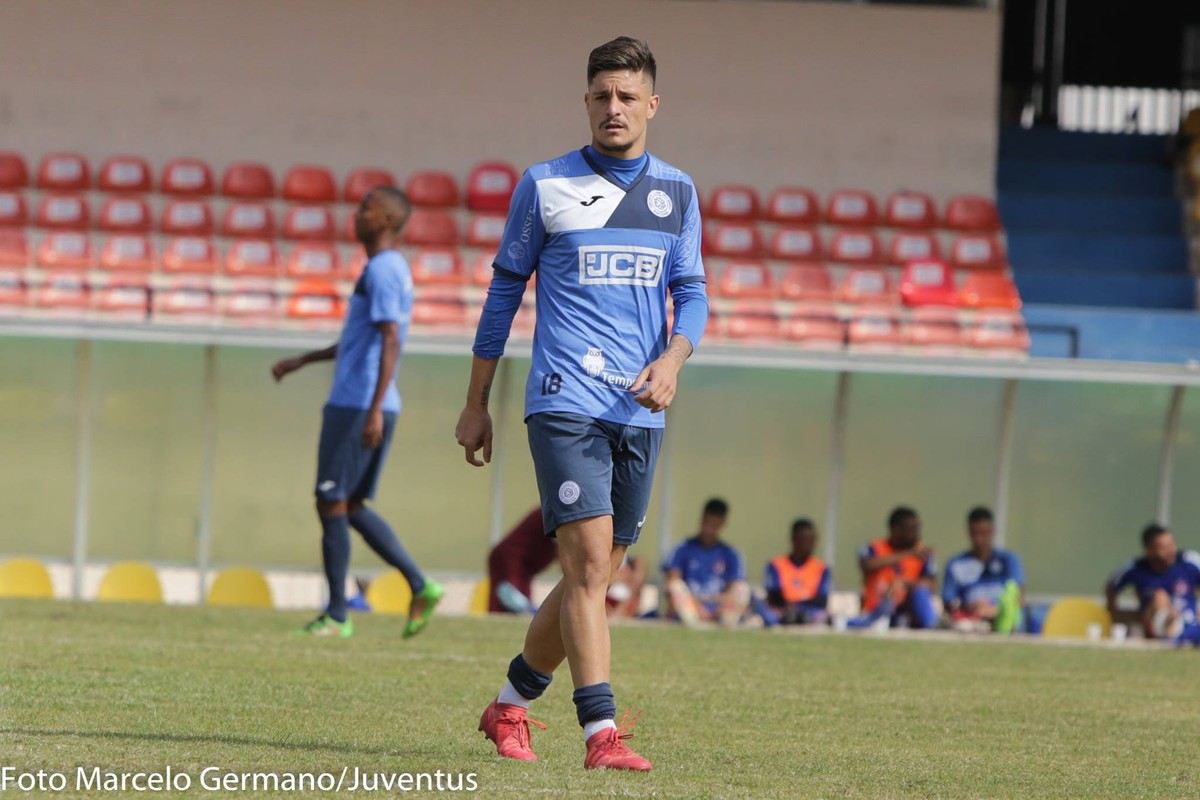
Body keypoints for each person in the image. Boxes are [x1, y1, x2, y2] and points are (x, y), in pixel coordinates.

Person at [454, 36, 708, 771]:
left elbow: (691, 294)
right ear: (586, 103)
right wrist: (477, 402)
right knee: (592, 566)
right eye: (601, 96)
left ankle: (509, 704)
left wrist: (673, 359)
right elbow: (504, 292)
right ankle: (602, 735)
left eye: (628, 96)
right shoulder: (545, 184)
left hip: (641, 408)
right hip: (564, 399)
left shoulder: (678, 193)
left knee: (588, 582)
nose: (614, 109)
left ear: (652, 104)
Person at [272, 186, 444, 639]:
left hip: (358, 405)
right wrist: (302, 361)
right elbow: (361, 340)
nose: (357, 214)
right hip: (367, 402)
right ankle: (419, 583)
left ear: (387, 220)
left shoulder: (384, 270)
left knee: (330, 500)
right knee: (348, 505)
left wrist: (371, 409)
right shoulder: (383, 269)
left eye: (366, 208)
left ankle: (336, 614)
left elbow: (391, 339)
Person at [1105, 523, 1200, 645]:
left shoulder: (1188, 561)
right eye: (1163, 547)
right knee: (1159, 596)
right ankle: (1171, 636)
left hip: (1190, 622)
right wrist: (1113, 621)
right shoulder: (1135, 568)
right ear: (1149, 551)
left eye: (1171, 544)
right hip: (1158, 629)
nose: (1171, 550)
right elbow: (1111, 587)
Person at [663, 499, 750, 628]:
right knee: (675, 586)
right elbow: (671, 583)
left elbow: (734, 590)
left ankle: (726, 626)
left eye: (715, 524)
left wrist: (716, 609)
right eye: (707, 522)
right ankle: (692, 625)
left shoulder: (731, 554)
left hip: (719, 611)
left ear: (723, 523)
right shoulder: (682, 549)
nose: (709, 528)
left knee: (742, 589)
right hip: (690, 610)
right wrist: (697, 606)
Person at [851, 506, 938, 629]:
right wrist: (908, 554)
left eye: (917, 527)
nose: (916, 532)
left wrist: (905, 583)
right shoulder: (873, 547)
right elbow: (867, 565)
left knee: (921, 592)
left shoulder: (923, 554)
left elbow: (931, 585)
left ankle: (932, 627)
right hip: (876, 611)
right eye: (910, 528)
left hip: (906, 612)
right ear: (895, 529)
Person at [942, 506, 1024, 634]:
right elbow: (948, 601)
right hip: (971, 621)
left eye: (984, 533)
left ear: (992, 532)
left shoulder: (1008, 560)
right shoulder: (956, 564)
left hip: (1002, 621)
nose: (979, 539)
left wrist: (996, 610)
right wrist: (969, 607)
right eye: (975, 533)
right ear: (969, 532)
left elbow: (1018, 596)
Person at [756, 518, 830, 626]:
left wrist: (798, 607)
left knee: (819, 615)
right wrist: (788, 608)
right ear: (794, 539)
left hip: (809, 611)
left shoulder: (821, 568)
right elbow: (774, 594)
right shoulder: (776, 564)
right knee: (759, 604)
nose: (811, 544)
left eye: (813, 540)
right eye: (806, 540)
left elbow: (822, 599)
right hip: (781, 610)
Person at [487, 508, 559, 613]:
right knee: (508, 602)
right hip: (511, 558)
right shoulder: (556, 510)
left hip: (526, 566)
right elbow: (562, 548)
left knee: (522, 609)